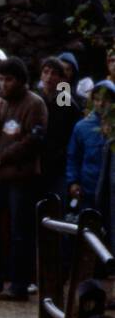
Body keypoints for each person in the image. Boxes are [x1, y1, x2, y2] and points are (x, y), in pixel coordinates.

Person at [0, 57, 47, 300]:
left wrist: (3, 158)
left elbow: (34, 140)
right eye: (1, 79)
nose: (3, 84)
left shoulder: (34, 103)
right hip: (0, 177)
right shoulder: (2, 104)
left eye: (8, 79)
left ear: (21, 80)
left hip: (21, 176)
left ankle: (19, 286)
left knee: (20, 232)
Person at [39, 56, 82, 200]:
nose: (49, 77)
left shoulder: (66, 104)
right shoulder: (35, 99)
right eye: (45, 72)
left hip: (58, 166)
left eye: (54, 73)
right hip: (35, 164)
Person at [67, 80, 115, 211]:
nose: (101, 104)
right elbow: (73, 157)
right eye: (97, 99)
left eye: (106, 100)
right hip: (88, 191)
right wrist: (73, 182)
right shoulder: (82, 127)